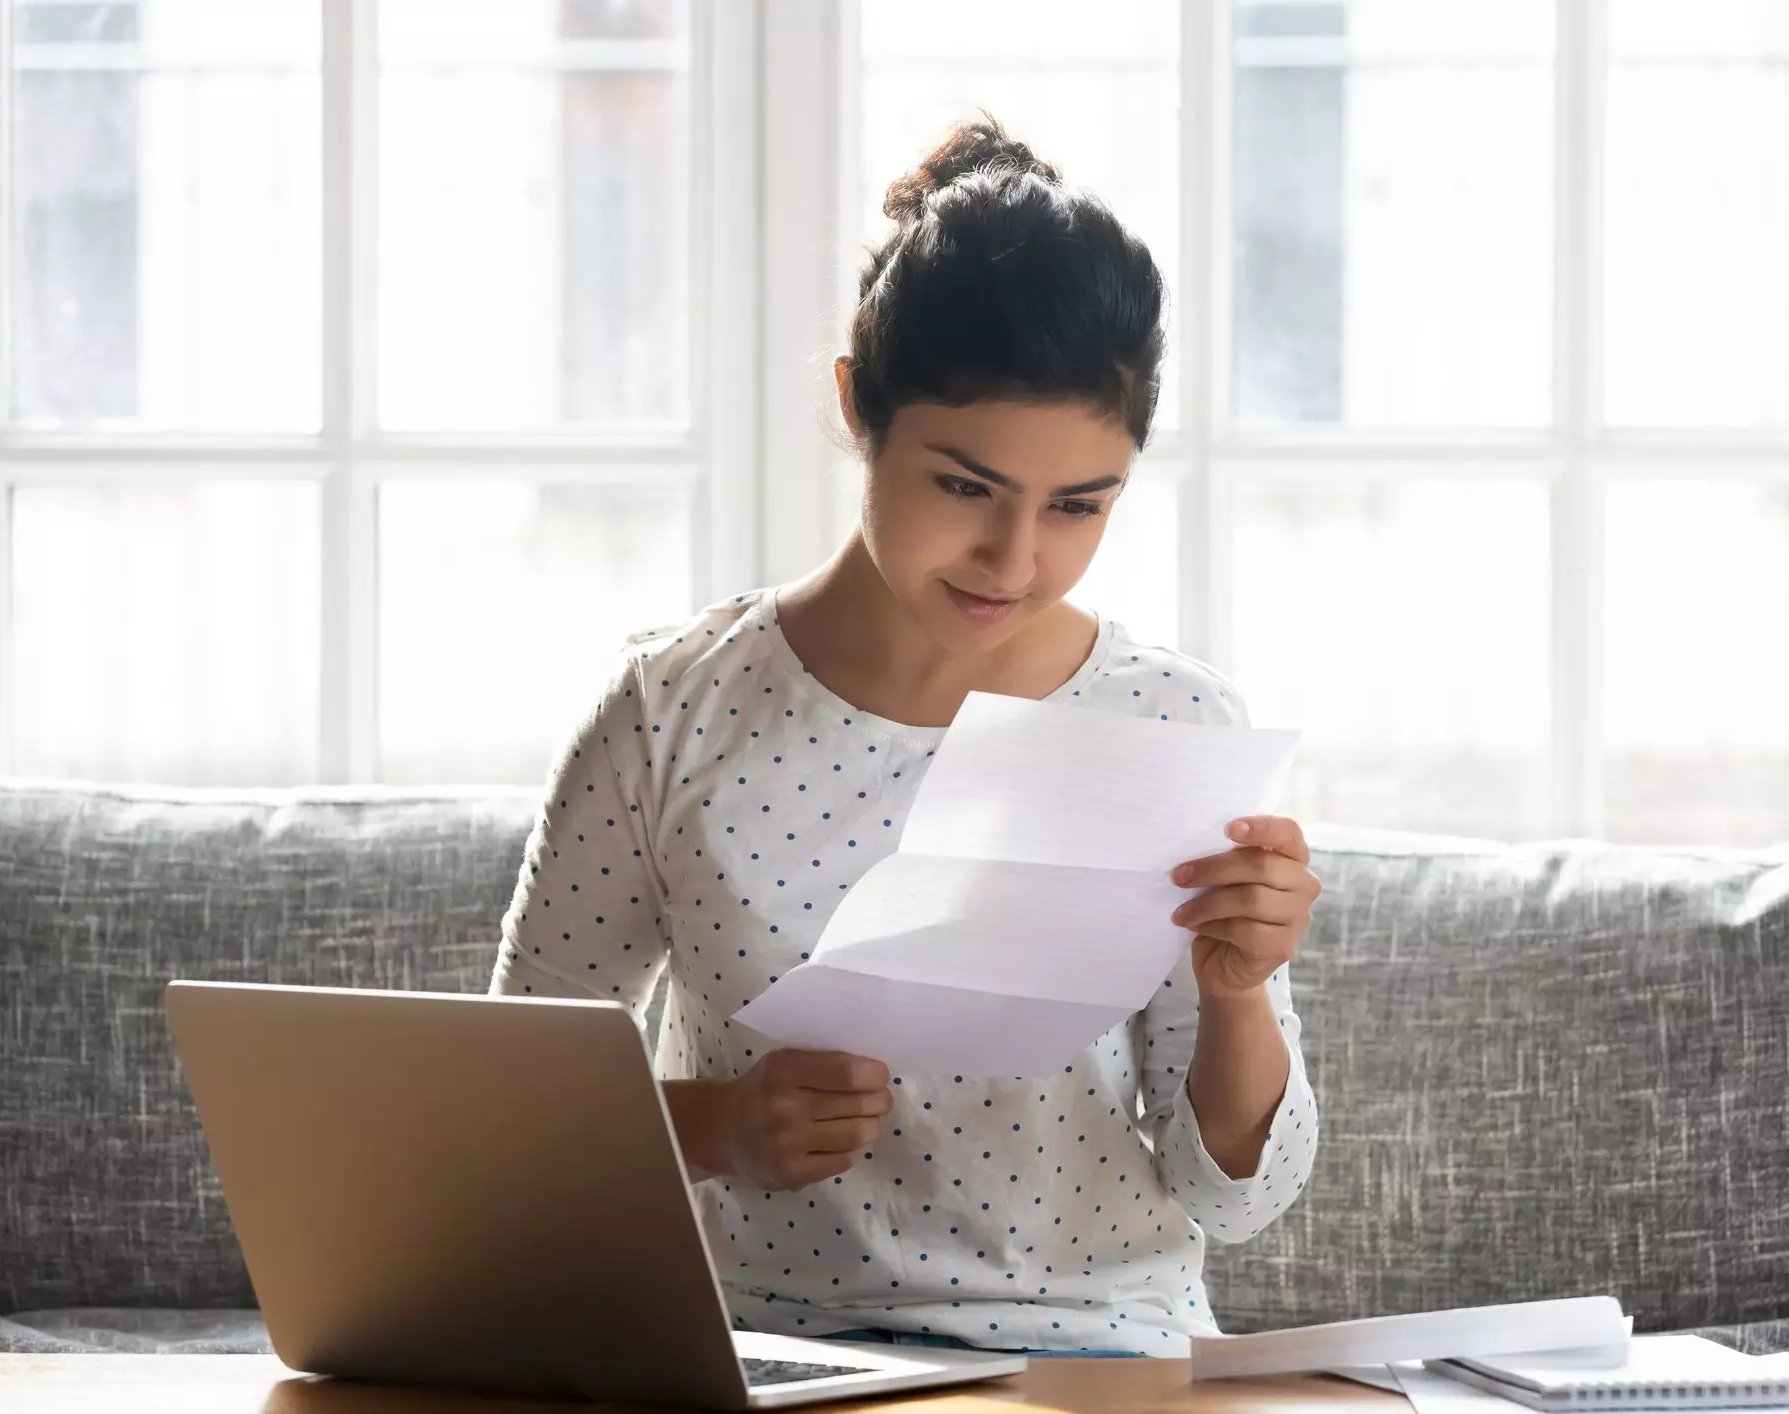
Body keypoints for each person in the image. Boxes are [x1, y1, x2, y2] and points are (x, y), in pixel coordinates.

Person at [489, 114, 1322, 1358]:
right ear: (855, 409)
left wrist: (1239, 995)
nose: (1015, 559)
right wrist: (719, 1129)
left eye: (1078, 506)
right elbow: (504, 1119)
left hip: (1096, 1357)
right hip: (771, 1355)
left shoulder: (1172, 723)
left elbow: (1237, 1198)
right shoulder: (673, 712)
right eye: (965, 486)